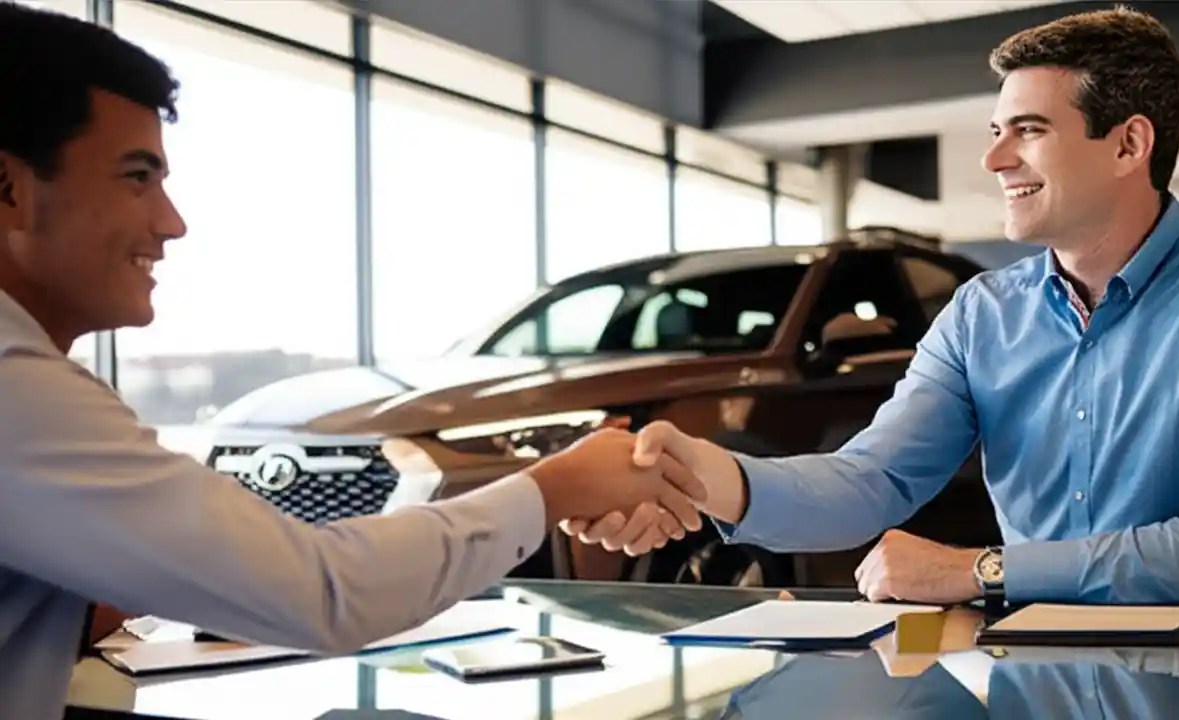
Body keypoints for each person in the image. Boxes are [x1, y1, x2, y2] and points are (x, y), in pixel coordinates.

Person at [0, 4, 702, 718]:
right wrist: (552, 487)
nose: (170, 222)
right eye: (137, 177)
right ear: (10, 189)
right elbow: (323, 591)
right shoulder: (19, 391)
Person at [566, 6, 1179, 605]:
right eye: (997, 132)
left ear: (1129, 144)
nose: (995, 160)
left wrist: (976, 570)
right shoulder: (982, 315)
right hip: (1034, 686)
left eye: (1028, 130)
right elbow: (870, 480)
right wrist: (696, 473)